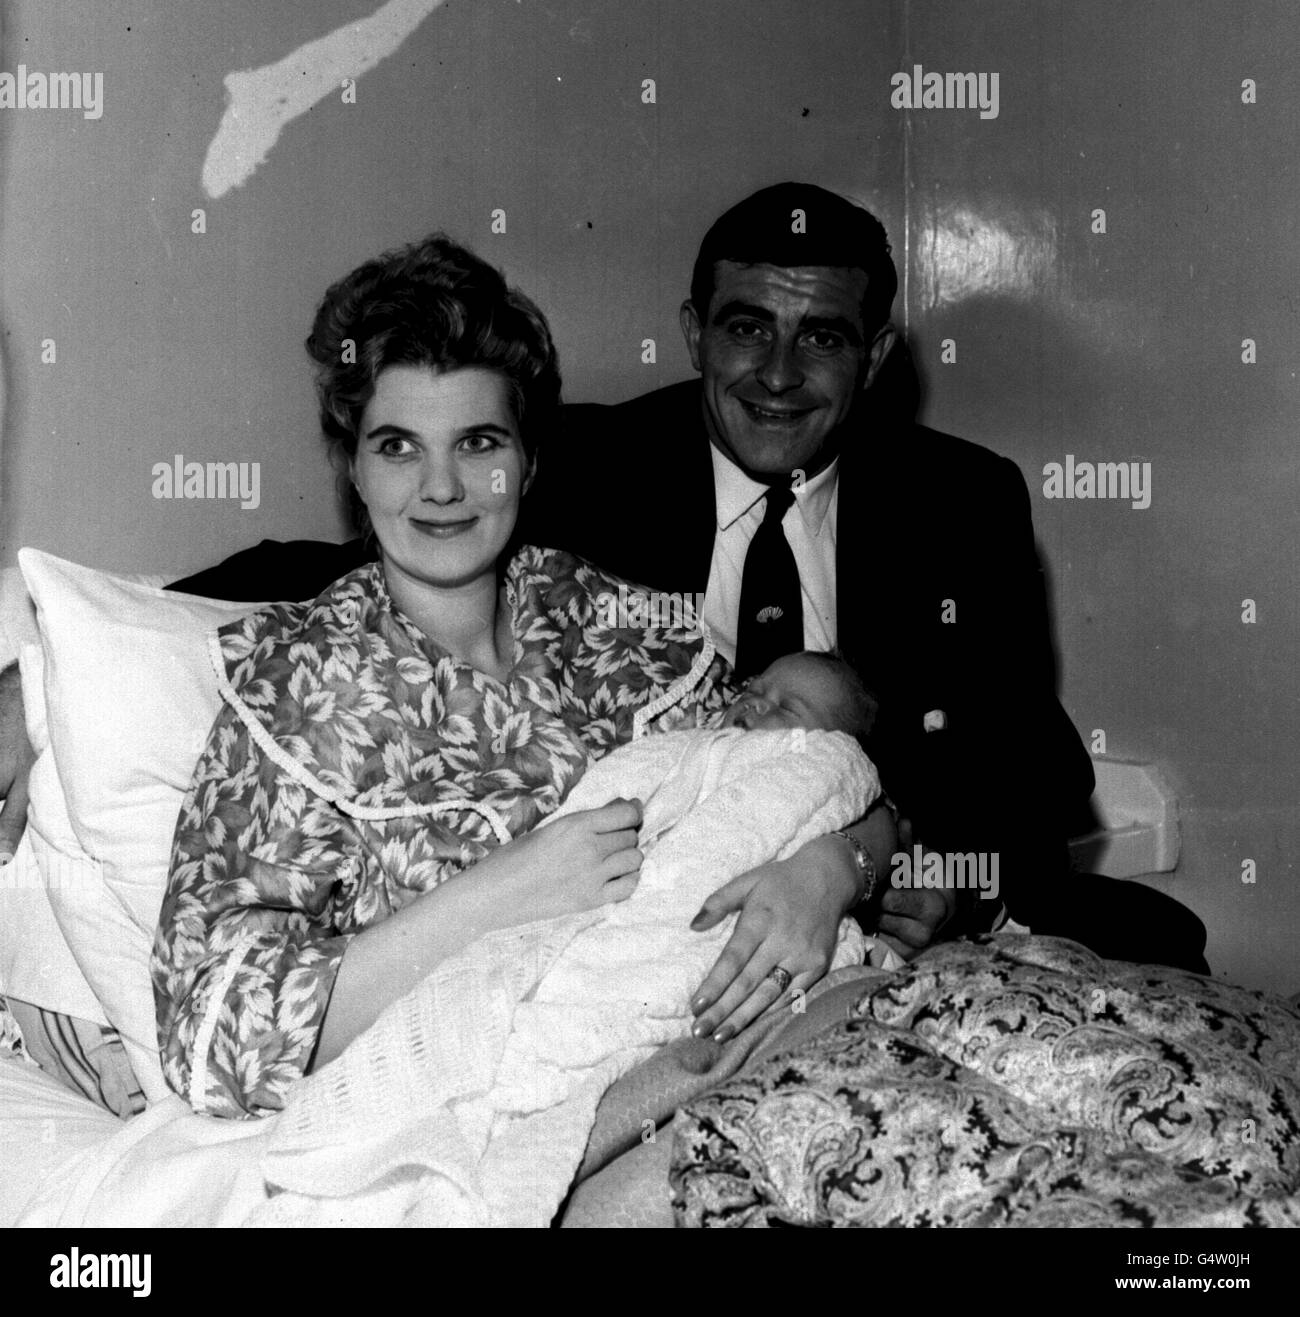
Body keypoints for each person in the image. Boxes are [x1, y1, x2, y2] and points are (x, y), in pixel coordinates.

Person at [151, 234, 889, 1119]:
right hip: (568, 1101)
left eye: (477, 442)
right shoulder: (298, 688)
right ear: (351, 463)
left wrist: (832, 869)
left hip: (769, 1025)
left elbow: (805, 767)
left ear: (529, 460)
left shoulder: (612, 619)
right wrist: (504, 893)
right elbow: (211, 1035)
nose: (440, 487)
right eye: (396, 446)